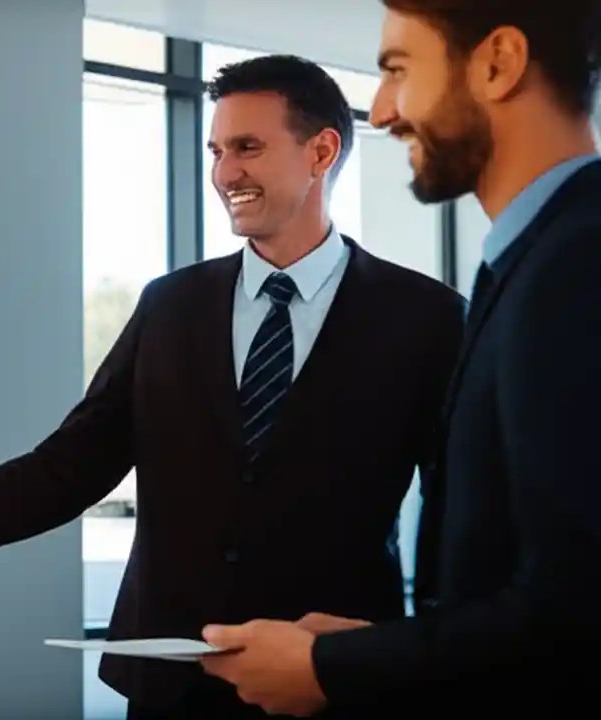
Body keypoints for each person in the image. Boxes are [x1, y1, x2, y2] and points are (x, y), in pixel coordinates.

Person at [0, 54, 465, 719]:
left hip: (330, 683)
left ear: (321, 150)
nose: (224, 172)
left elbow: (462, 511)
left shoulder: (426, 317)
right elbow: (66, 468)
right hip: (171, 685)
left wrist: (425, 656)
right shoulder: (170, 306)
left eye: (247, 148)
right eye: (216, 151)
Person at [199, 2, 601, 717]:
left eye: (396, 70)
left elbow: (572, 610)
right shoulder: (534, 261)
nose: (381, 112)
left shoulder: (575, 267)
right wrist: (375, 649)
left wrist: (340, 665)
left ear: (499, 63)